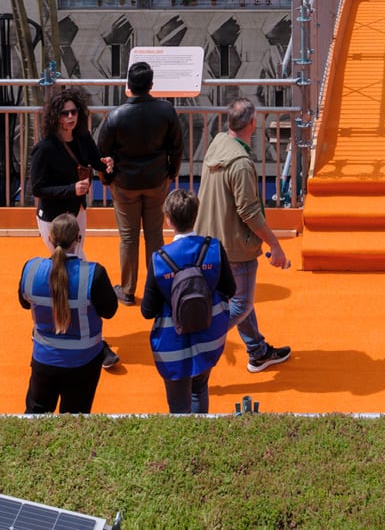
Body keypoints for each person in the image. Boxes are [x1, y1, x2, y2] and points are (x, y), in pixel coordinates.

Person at [194, 98, 294, 373]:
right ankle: (200, 344)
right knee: (241, 304)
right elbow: (249, 212)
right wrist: (275, 244)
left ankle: (258, 351)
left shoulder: (217, 144)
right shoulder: (240, 163)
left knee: (238, 300)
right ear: (252, 124)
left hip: (209, 240)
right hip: (235, 247)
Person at [27, 86, 118, 369]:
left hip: (76, 212)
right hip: (53, 219)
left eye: (74, 112)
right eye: (65, 113)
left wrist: (106, 163)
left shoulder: (81, 137)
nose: (70, 117)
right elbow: (38, 187)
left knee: (74, 269)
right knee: (73, 270)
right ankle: (85, 336)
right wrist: (71, 188)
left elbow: (96, 161)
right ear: (54, 116)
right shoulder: (44, 149)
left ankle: (60, 326)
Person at [94, 60, 184, 305]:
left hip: (124, 184)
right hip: (157, 180)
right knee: (155, 234)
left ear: (128, 86)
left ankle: (127, 289)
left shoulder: (115, 117)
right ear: (151, 85)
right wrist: (171, 174)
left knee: (128, 237)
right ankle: (157, 288)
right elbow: (176, 147)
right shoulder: (166, 111)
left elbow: (102, 154)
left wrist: (106, 180)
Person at [142, 188, 235, 413]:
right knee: (200, 388)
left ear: (169, 219)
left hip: (172, 344)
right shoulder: (213, 248)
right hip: (209, 337)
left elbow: (147, 310)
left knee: (177, 405)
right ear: (196, 215)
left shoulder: (159, 258)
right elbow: (230, 289)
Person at [19, 213, 119, 413]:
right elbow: (109, 311)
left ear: (49, 238)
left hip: (44, 359)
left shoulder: (31, 269)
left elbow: (24, 303)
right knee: (74, 423)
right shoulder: (94, 273)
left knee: (35, 419)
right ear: (78, 239)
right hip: (83, 362)